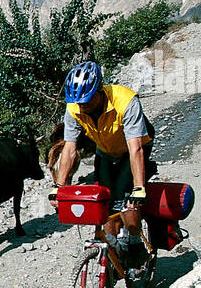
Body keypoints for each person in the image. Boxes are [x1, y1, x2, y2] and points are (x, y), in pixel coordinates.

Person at [49, 61, 155, 262]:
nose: (82, 106)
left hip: (132, 149)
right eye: (78, 102)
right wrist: (59, 186)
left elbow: (136, 148)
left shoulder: (125, 101)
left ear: (99, 91)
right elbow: (70, 149)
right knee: (105, 202)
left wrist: (139, 187)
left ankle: (135, 245)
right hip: (105, 151)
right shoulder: (74, 108)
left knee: (125, 199)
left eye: (87, 101)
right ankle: (114, 248)